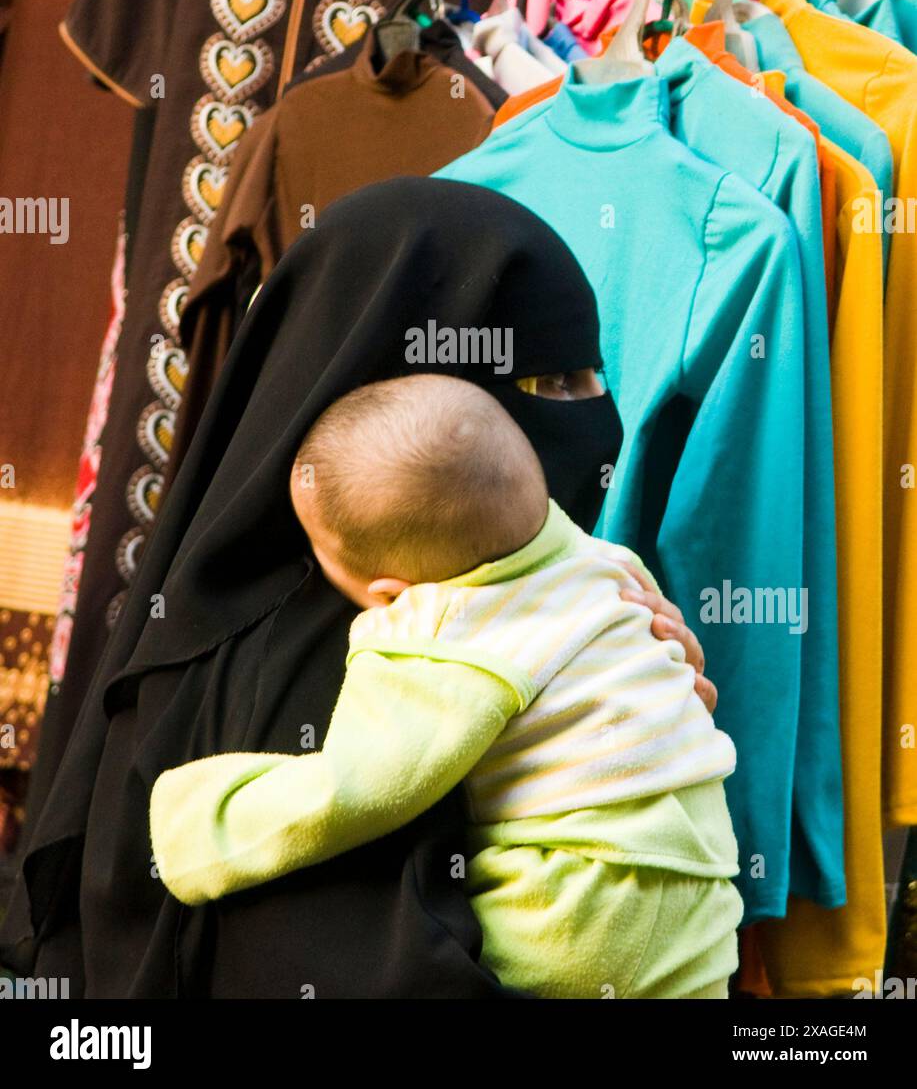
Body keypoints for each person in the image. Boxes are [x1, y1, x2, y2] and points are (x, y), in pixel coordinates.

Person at [1, 178, 715, 998]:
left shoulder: (507, 607)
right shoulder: (313, 672)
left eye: (592, 377)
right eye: (551, 385)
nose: (601, 420)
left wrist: (621, 740)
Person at [151, 374, 742, 999]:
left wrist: (195, 821)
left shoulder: (442, 632)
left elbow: (361, 787)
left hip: (574, 919)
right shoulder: (612, 568)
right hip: (703, 918)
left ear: (387, 594)